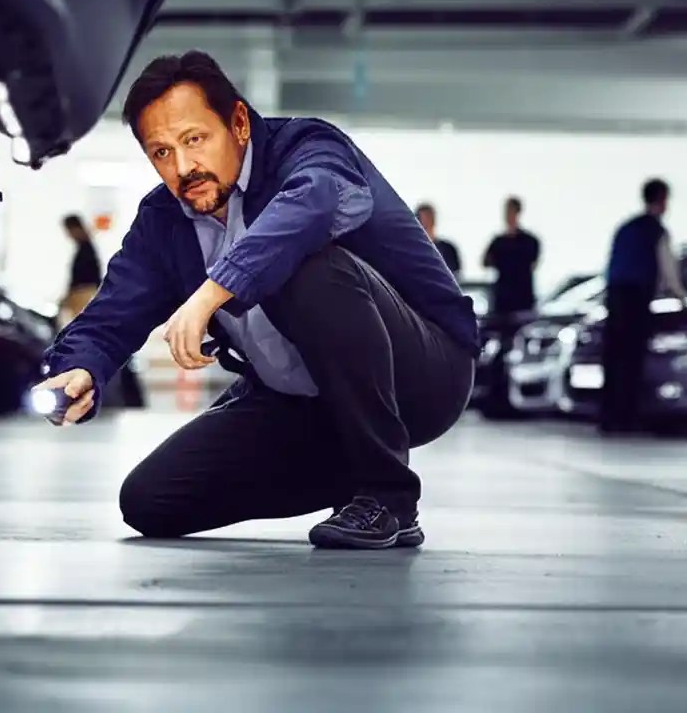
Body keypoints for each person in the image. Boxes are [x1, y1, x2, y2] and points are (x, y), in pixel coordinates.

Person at [34, 51, 477, 549]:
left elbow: (311, 208)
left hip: (425, 375)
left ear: (239, 122)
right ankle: (355, 479)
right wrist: (80, 367)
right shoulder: (164, 220)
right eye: (161, 153)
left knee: (307, 266)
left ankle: (389, 496)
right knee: (150, 500)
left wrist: (211, 293)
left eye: (194, 139)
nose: (183, 167)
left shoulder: (308, 149)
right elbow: (114, 309)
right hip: (297, 400)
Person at [599, 178, 687, 435]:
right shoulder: (657, 231)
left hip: (615, 300)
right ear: (662, 200)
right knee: (632, 361)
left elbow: (612, 265)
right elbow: (669, 270)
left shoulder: (625, 228)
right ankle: (626, 418)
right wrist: (682, 297)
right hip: (637, 300)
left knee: (613, 361)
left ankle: (608, 418)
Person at [482, 197, 541, 317]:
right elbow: (485, 262)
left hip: (522, 300)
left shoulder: (529, 241)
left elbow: (533, 263)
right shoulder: (499, 241)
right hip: (502, 302)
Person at [57, 214, 103, 327]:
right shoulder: (84, 247)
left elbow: (84, 275)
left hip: (83, 292)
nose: (69, 235)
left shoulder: (86, 249)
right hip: (83, 292)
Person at [416, 203, 461, 279]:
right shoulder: (413, 249)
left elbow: (455, 272)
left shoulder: (448, 248)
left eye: (429, 218)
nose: (427, 222)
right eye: (425, 219)